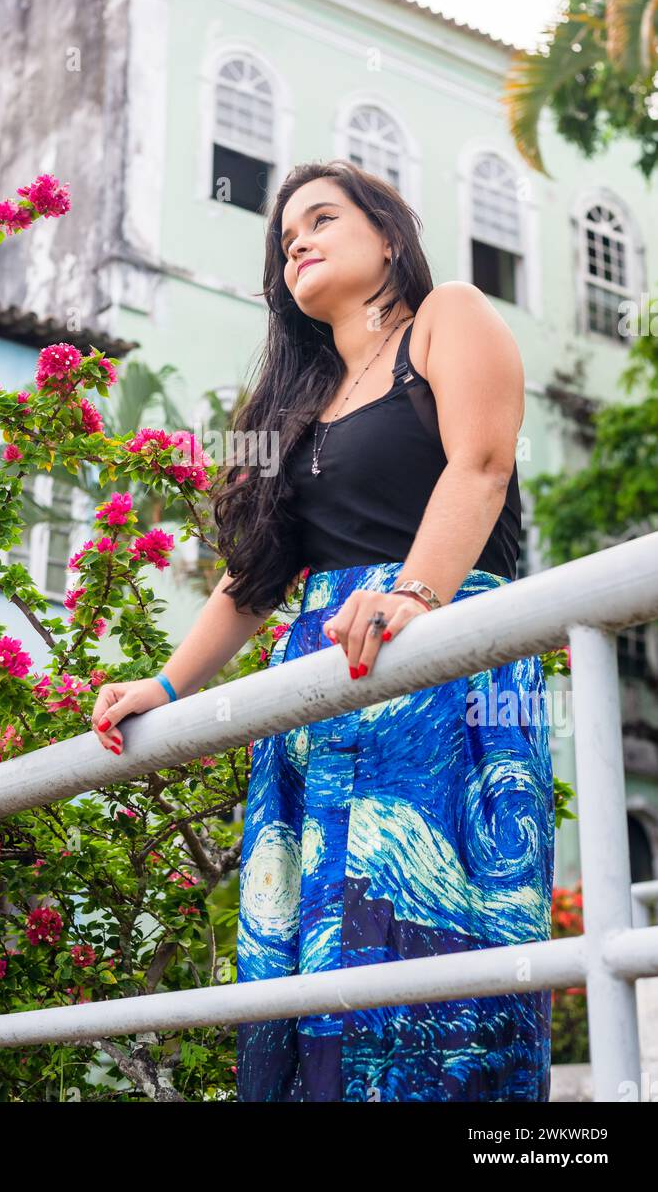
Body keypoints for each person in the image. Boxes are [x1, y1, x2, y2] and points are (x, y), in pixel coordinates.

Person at [89, 158, 555, 1103]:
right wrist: (166, 687)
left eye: (321, 218)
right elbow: (253, 577)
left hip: (445, 659)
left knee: (430, 946)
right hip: (318, 685)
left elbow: (480, 465)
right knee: (311, 959)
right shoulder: (294, 407)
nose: (296, 237)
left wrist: (416, 596)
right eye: (283, 235)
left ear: (387, 235)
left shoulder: (447, 316)